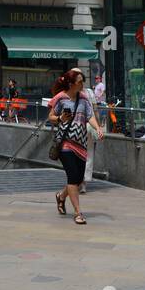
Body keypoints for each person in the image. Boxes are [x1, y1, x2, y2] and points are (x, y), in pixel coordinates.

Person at [48, 69, 100, 225]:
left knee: (77, 180)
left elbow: (90, 115)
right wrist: (60, 118)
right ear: (71, 84)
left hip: (81, 144)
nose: (82, 84)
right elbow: (51, 117)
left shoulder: (84, 99)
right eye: (80, 82)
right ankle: (78, 212)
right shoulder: (61, 98)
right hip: (65, 144)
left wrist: (97, 128)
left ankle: (61, 196)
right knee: (72, 177)